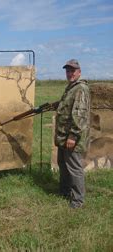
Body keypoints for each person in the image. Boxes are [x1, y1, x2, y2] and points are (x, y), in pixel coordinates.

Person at [54, 59, 90, 209]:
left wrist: (73, 136)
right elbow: (69, 106)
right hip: (63, 136)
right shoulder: (71, 87)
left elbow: (80, 113)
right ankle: (65, 192)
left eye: (72, 71)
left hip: (71, 137)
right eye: (68, 71)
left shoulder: (80, 88)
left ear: (79, 72)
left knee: (74, 169)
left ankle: (77, 201)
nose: (70, 74)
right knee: (63, 165)